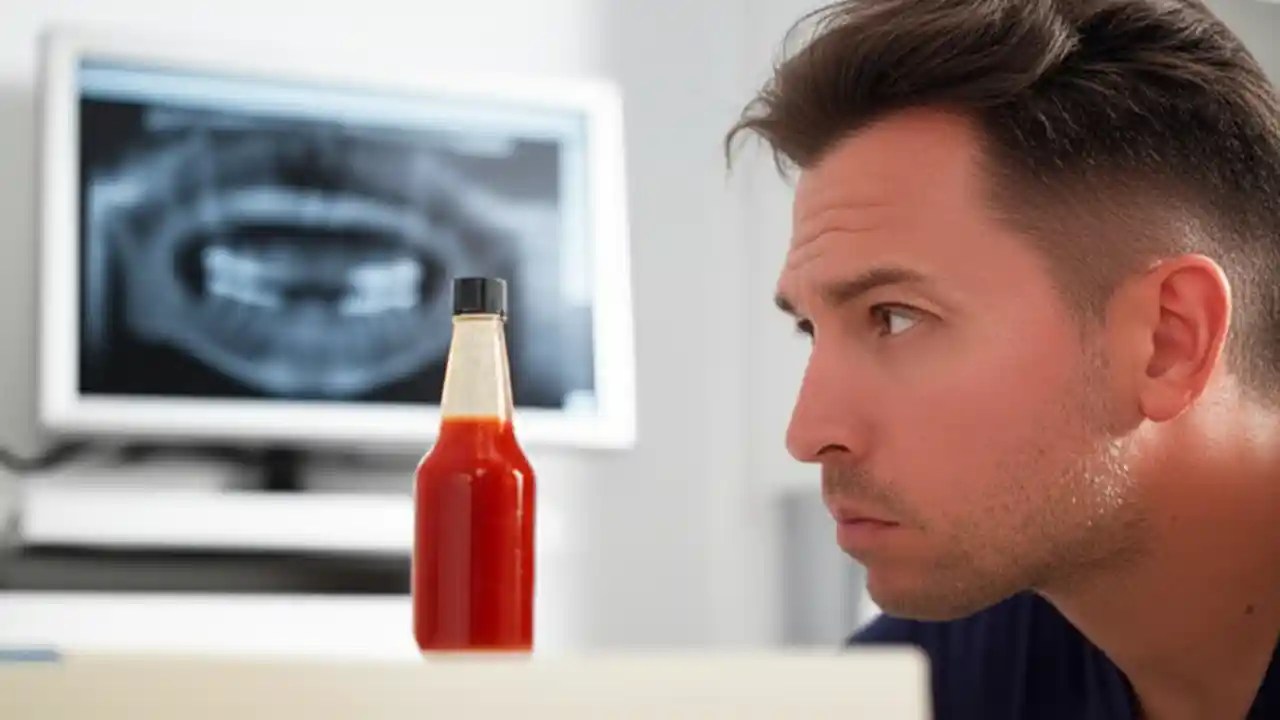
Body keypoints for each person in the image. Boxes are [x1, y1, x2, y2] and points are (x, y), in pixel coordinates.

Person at [726, 1, 1279, 718]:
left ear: (1167, 340)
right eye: (811, 328)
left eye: (894, 318)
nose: (808, 435)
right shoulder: (929, 681)